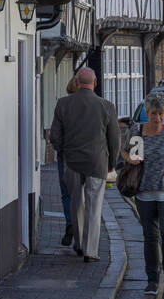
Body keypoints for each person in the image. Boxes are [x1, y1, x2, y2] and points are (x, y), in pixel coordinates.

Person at [122, 91, 164, 293]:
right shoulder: (138, 132)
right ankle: (152, 278)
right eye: (153, 113)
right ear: (147, 112)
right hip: (143, 192)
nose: (158, 118)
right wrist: (129, 157)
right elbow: (125, 151)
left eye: (161, 113)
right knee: (150, 236)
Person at [49, 67, 120, 262]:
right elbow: (114, 139)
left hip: (71, 162)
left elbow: (54, 135)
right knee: (93, 206)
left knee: (76, 203)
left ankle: (79, 244)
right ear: (95, 83)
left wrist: (64, 152)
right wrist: (112, 163)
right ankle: (90, 250)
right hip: (97, 162)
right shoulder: (107, 106)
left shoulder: (63, 104)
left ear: (77, 82)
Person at [53, 73, 80, 247]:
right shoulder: (91, 105)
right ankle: (80, 229)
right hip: (85, 157)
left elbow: (55, 134)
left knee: (67, 194)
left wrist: (60, 149)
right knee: (83, 195)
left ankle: (70, 223)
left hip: (65, 157)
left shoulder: (62, 104)